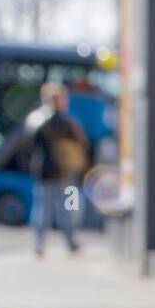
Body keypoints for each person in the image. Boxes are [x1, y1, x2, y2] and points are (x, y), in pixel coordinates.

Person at [29, 83, 90, 256]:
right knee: (70, 209)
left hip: (44, 174)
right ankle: (71, 242)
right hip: (67, 174)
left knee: (42, 209)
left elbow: (29, 148)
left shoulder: (38, 122)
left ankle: (39, 244)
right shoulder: (69, 124)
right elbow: (82, 146)